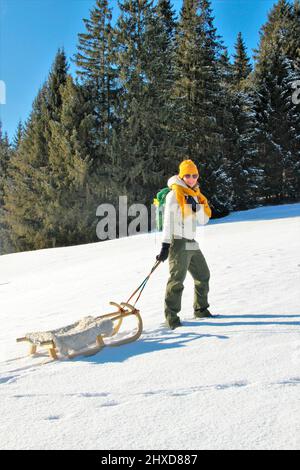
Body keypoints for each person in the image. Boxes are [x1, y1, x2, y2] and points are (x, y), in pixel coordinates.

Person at [156, 159, 213, 330]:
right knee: (177, 280)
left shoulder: (195, 194)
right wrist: (165, 245)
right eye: (187, 175)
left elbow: (204, 220)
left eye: (194, 175)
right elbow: (168, 222)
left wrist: (197, 207)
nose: (191, 178)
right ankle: (172, 319)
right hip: (178, 241)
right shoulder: (174, 194)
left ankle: (201, 310)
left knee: (203, 275)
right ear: (181, 176)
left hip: (191, 241)